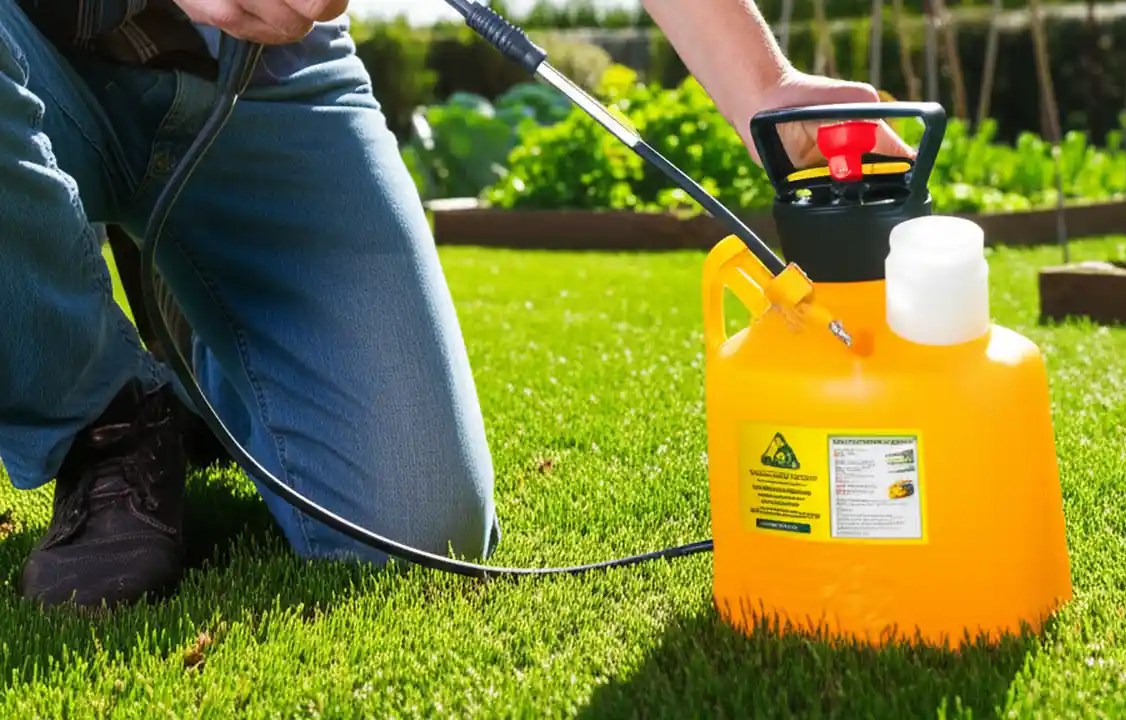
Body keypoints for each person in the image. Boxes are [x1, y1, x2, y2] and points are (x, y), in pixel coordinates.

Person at [0, 0, 911, 609]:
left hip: (259, 74)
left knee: (416, 530)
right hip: (28, 53)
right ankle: (108, 419)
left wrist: (763, 87)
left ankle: (204, 322)